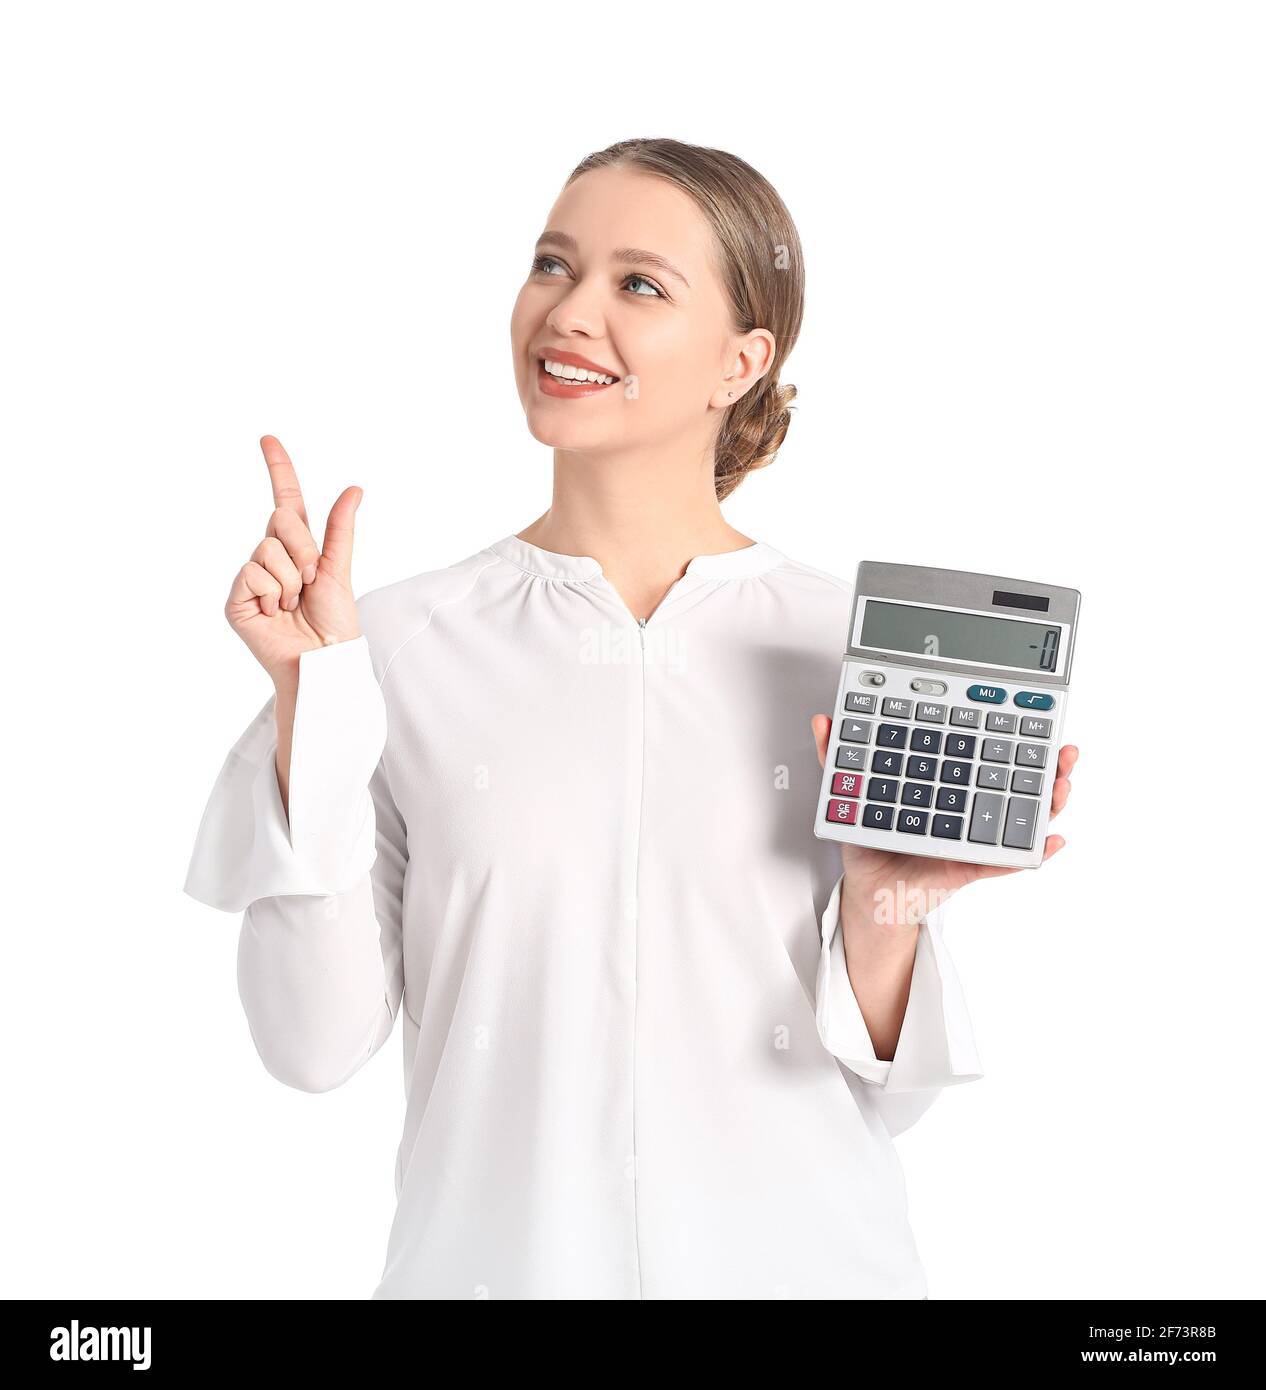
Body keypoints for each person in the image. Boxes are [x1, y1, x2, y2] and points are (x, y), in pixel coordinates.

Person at [184, 137, 1078, 1299]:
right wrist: (318, 713)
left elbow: (887, 1107)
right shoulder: (387, 645)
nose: (570, 310)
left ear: (741, 361)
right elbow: (311, 1048)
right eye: (553, 265)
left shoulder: (848, 646)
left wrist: (885, 900)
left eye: (638, 283)